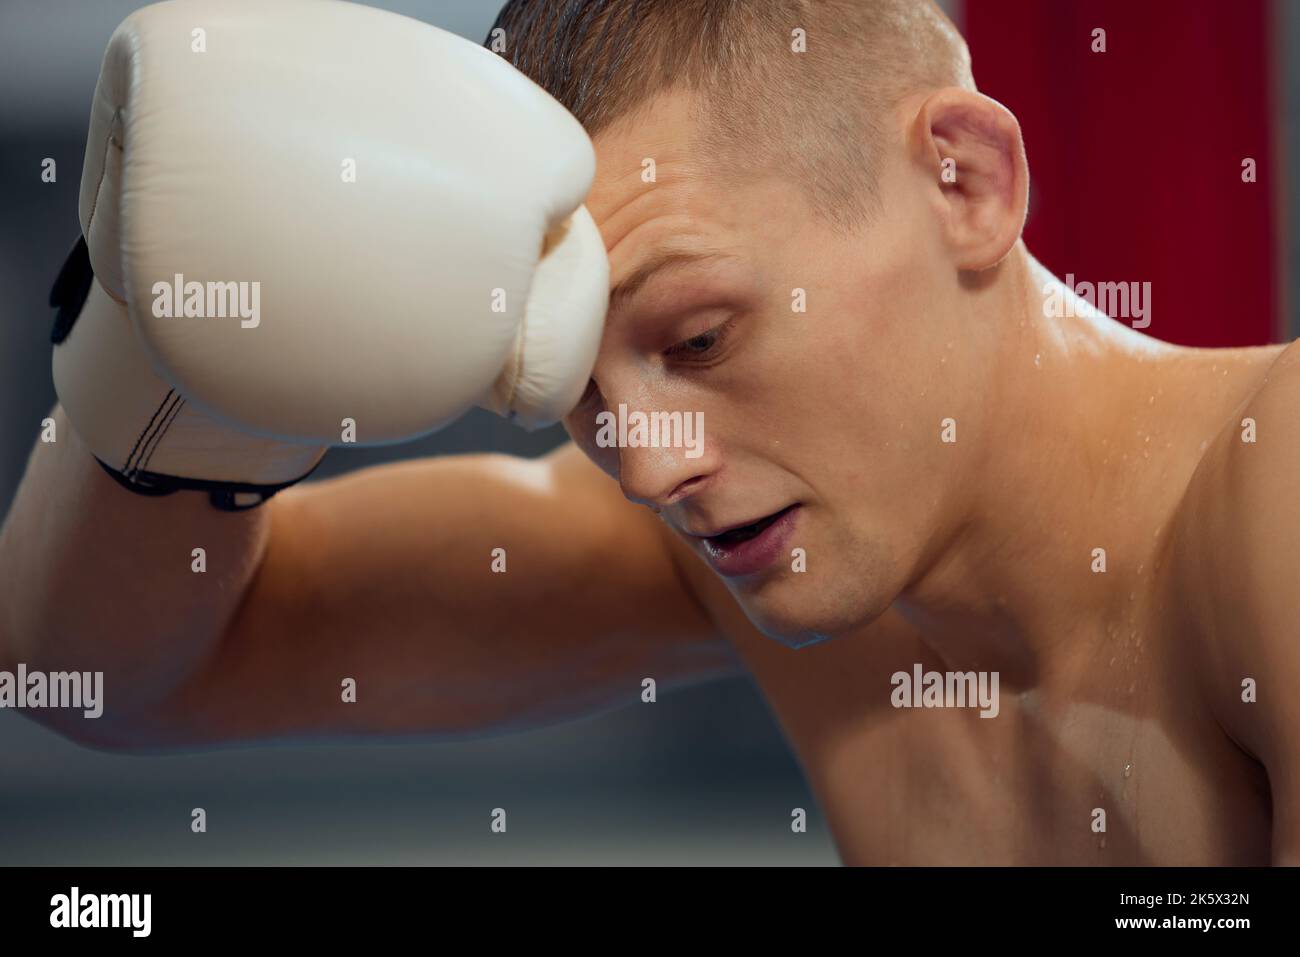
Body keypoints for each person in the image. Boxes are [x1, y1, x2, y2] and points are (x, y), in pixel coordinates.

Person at [1, 0, 1295, 865]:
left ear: (964, 179)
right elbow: (109, 682)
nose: (650, 466)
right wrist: (155, 373)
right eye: (577, 383)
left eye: (701, 339)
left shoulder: (1270, 489)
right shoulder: (754, 543)